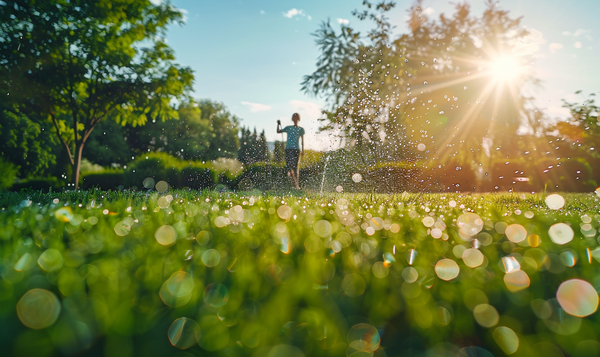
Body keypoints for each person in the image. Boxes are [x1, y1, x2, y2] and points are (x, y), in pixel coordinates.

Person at [277, 113, 305, 189]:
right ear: (292, 119)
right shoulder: (288, 128)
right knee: (289, 167)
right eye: (294, 118)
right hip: (288, 149)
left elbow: (302, 141)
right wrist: (278, 124)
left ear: (298, 119)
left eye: (296, 118)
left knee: (295, 167)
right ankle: (289, 184)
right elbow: (278, 131)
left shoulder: (301, 129)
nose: (295, 120)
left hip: (296, 150)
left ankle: (296, 185)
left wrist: (302, 150)